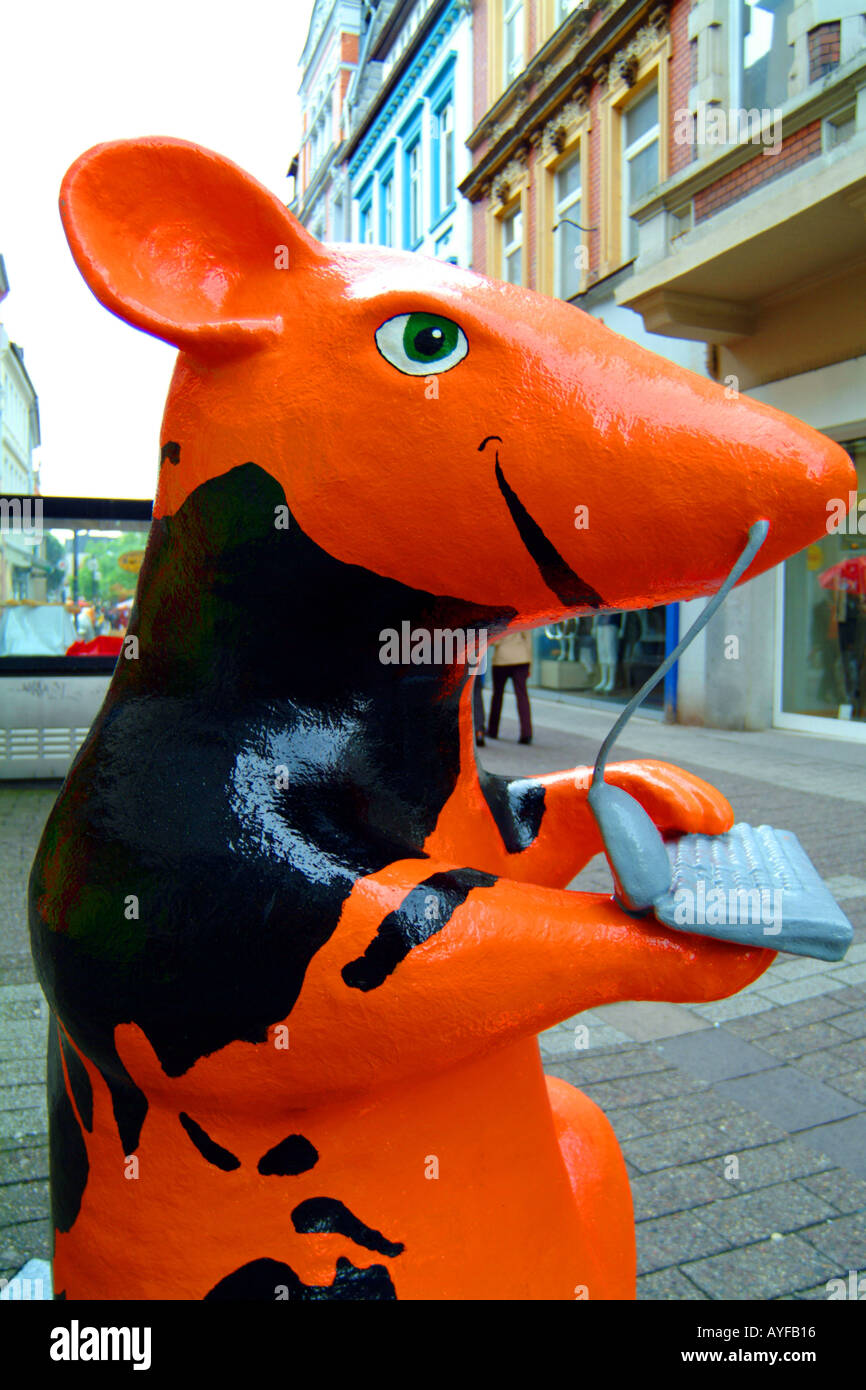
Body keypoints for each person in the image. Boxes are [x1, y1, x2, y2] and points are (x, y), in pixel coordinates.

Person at [487, 630, 533, 744]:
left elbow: (494, 640)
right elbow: (528, 639)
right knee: (522, 696)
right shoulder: (523, 615)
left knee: (497, 696)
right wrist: (530, 663)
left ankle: (493, 730)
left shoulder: (498, 617)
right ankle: (526, 733)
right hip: (521, 658)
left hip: (501, 659)